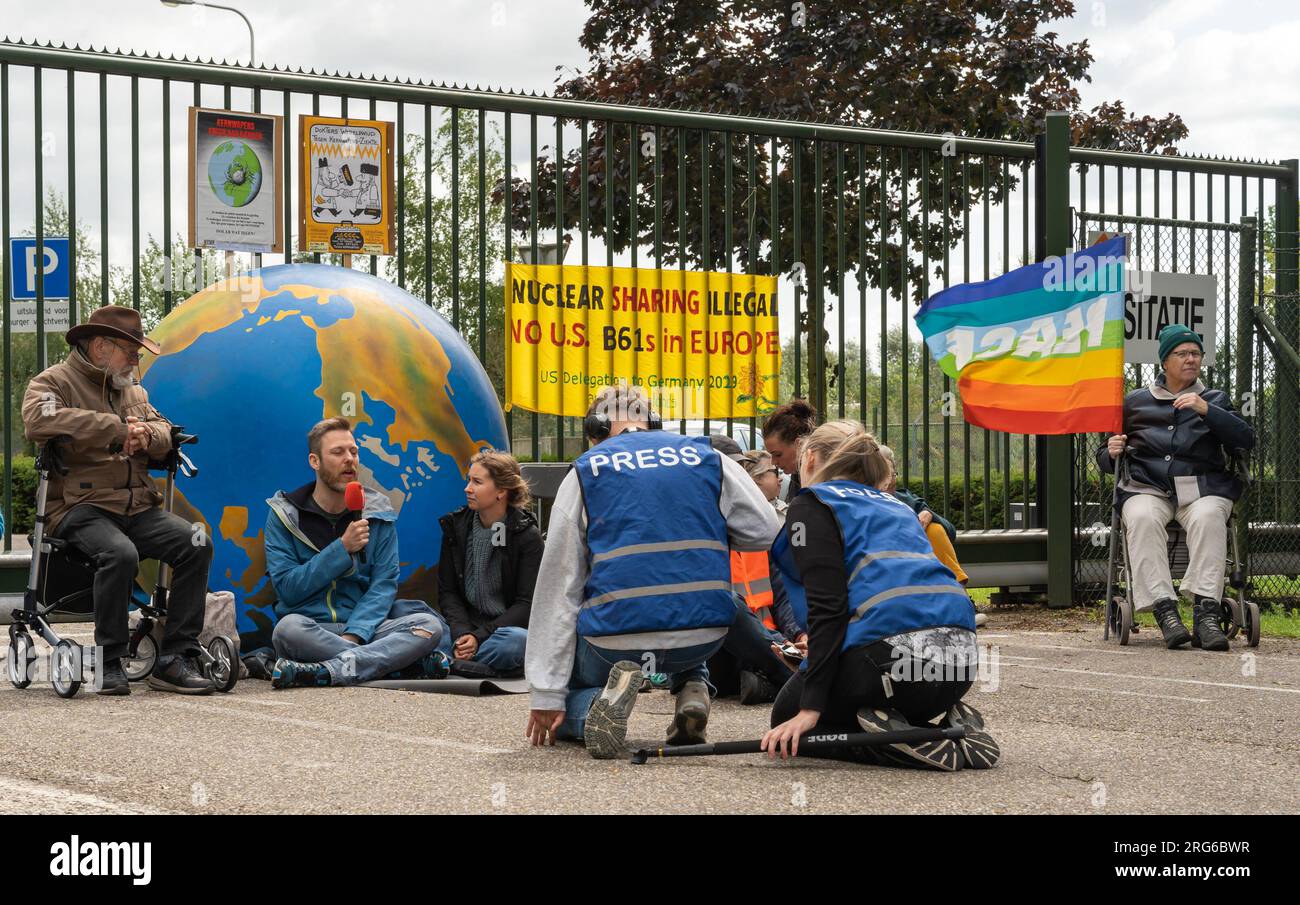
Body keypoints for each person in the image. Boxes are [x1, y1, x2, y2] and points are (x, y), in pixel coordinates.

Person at [524, 385, 781, 758]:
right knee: (682, 601)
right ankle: (693, 684)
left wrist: (547, 692)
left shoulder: (586, 471)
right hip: (701, 638)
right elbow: (765, 531)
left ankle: (595, 704)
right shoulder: (709, 458)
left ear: (595, 430)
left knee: (573, 686)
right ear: (654, 421)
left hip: (615, 642)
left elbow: (558, 587)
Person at [762, 421, 998, 771]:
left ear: (809, 457)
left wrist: (810, 708)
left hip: (892, 666)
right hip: (958, 666)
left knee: (786, 717)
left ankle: (897, 744)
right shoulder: (897, 506)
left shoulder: (812, 505)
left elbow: (828, 608)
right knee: (844, 693)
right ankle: (947, 726)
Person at [21, 305, 215, 696]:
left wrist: (149, 436)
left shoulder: (133, 389)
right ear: (98, 346)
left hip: (136, 507)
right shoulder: (51, 383)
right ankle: (109, 659)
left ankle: (174, 657)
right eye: (130, 350)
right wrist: (116, 428)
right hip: (78, 507)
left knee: (197, 542)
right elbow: (38, 422)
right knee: (120, 553)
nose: (136, 358)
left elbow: (166, 429)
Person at [1096, 323, 1255, 651]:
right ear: (1164, 362)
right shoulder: (1136, 401)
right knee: (1140, 516)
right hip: (1147, 486)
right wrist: (1110, 453)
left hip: (1203, 487)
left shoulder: (1215, 398)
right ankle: (1165, 610)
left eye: (1196, 353)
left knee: (1211, 515)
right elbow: (1104, 456)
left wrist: (1207, 410)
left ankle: (1206, 612)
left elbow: (1245, 439)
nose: (1191, 359)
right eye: (1182, 353)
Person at [264, 417, 449, 687]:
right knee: (286, 630)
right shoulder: (284, 515)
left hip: (368, 630)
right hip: (313, 629)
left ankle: (327, 671)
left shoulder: (378, 513)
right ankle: (394, 665)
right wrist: (342, 549)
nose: (349, 459)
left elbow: (384, 585)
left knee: (427, 625)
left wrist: (355, 636)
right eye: (338, 452)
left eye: (353, 451)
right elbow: (287, 589)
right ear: (314, 461)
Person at [704, 437, 804, 705]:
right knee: (725, 606)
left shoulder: (760, 529)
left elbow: (783, 598)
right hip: (717, 654)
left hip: (766, 643)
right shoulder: (698, 530)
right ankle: (799, 677)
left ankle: (767, 680)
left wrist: (799, 634)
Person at [433, 449, 542, 676]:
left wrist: (479, 636)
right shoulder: (455, 527)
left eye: (477, 482)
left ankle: (451, 662)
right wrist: (463, 634)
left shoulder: (526, 536)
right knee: (415, 618)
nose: (467, 488)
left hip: (502, 632)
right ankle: (473, 662)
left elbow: (526, 604)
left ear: (501, 491)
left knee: (516, 643)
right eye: (468, 480)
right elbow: (448, 592)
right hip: (464, 628)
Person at [761, 397, 817, 501]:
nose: (773, 462)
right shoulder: (797, 474)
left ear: (799, 445)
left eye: (778, 454)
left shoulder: (825, 477)